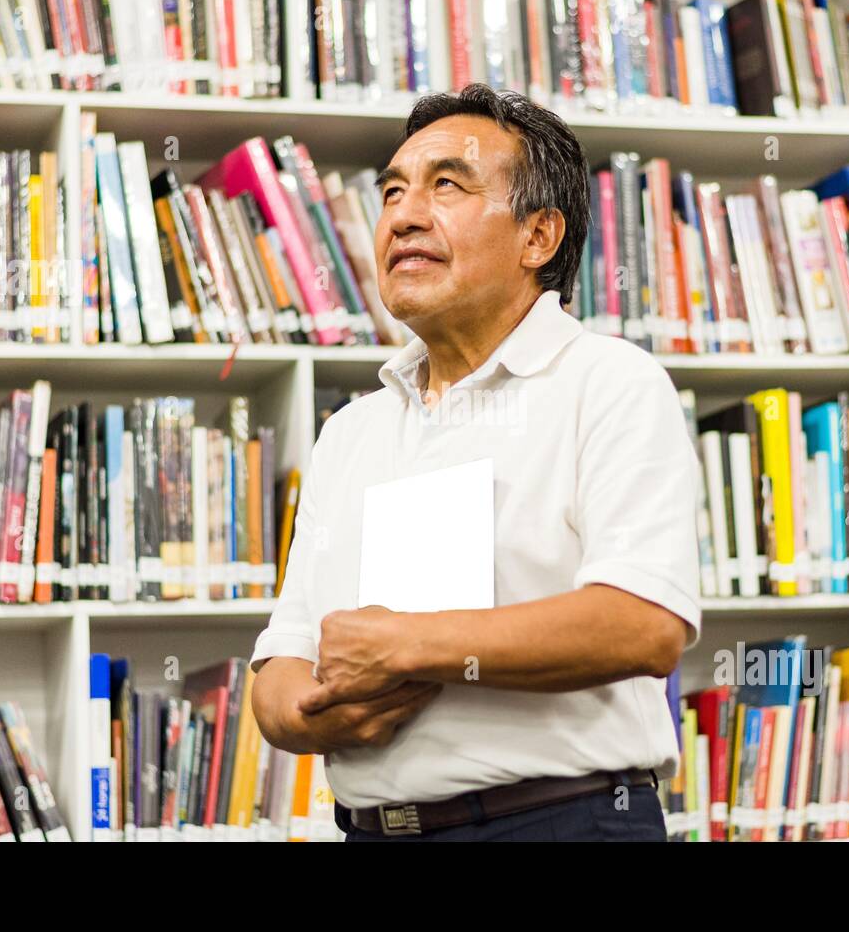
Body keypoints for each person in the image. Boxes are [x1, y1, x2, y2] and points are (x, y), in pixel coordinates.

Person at [249, 83, 701, 841]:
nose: (403, 213)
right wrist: (307, 713)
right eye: (392, 190)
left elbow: (643, 623)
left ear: (539, 237)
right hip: (371, 827)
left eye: (447, 185)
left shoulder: (609, 382)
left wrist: (406, 644)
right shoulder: (350, 431)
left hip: (557, 821)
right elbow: (283, 660)